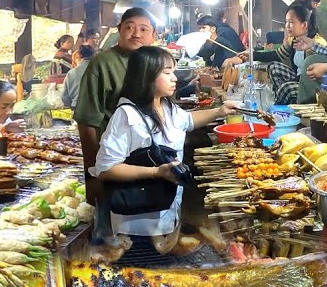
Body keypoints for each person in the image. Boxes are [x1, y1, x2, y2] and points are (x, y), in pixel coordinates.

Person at [93, 45, 237, 239]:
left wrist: (219, 111)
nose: (174, 78)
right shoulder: (127, 115)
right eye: (167, 72)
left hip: (167, 209)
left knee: (166, 251)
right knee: (142, 258)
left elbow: (188, 121)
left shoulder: (166, 106)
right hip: (138, 220)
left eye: (173, 72)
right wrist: (156, 172)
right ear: (146, 76)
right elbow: (106, 169)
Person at [75, 7, 156, 240]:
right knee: (114, 235)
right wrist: (92, 175)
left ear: (154, 35)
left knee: (148, 233)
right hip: (114, 164)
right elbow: (87, 121)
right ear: (119, 30)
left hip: (149, 163)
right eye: (129, 27)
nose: (136, 34)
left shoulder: (155, 62)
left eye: (144, 29)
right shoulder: (103, 64)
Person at [223, 0, 327, 104]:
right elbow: (277, 55)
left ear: (304, 25)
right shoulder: (293, 41)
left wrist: (291, 82)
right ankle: (286, 101)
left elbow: (313, 75)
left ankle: (280, 106)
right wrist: (252, 55)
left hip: (313, 86)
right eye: (286, 22)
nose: (287, 26)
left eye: (291, 22)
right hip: (298, 79)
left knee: (286, 88)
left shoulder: (317, 43)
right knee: (273, 67)